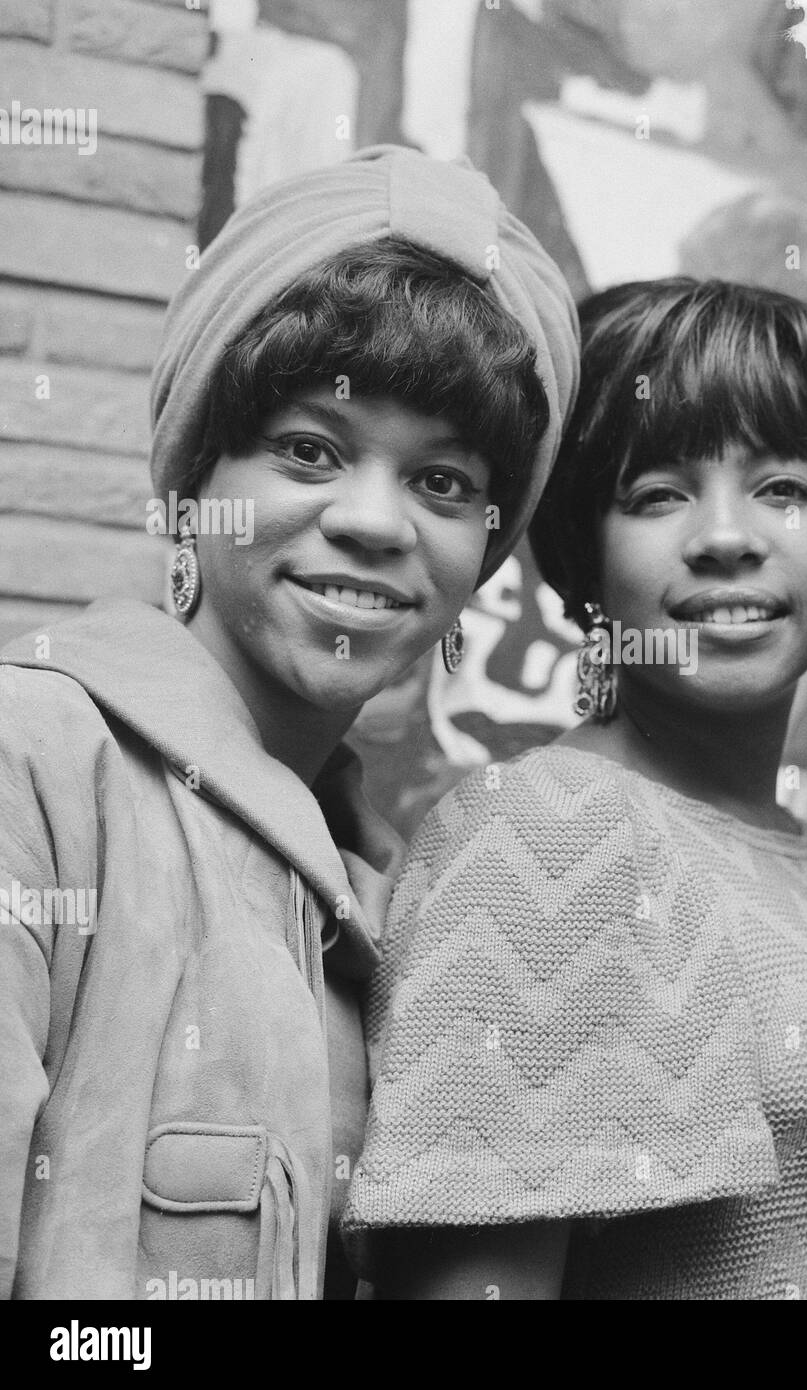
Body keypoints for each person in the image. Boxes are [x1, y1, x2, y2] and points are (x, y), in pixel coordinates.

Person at [0, 146, 578, 1300]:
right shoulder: (37, 758)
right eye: (309, 450)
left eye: (444, 482)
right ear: (192, 476)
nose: (374, 521)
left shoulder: (401, 895)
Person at [343, 277, 807, 1299]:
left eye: (781, 488)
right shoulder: (547, 828)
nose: (726, 536)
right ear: (582, 564)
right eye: (657, 493)